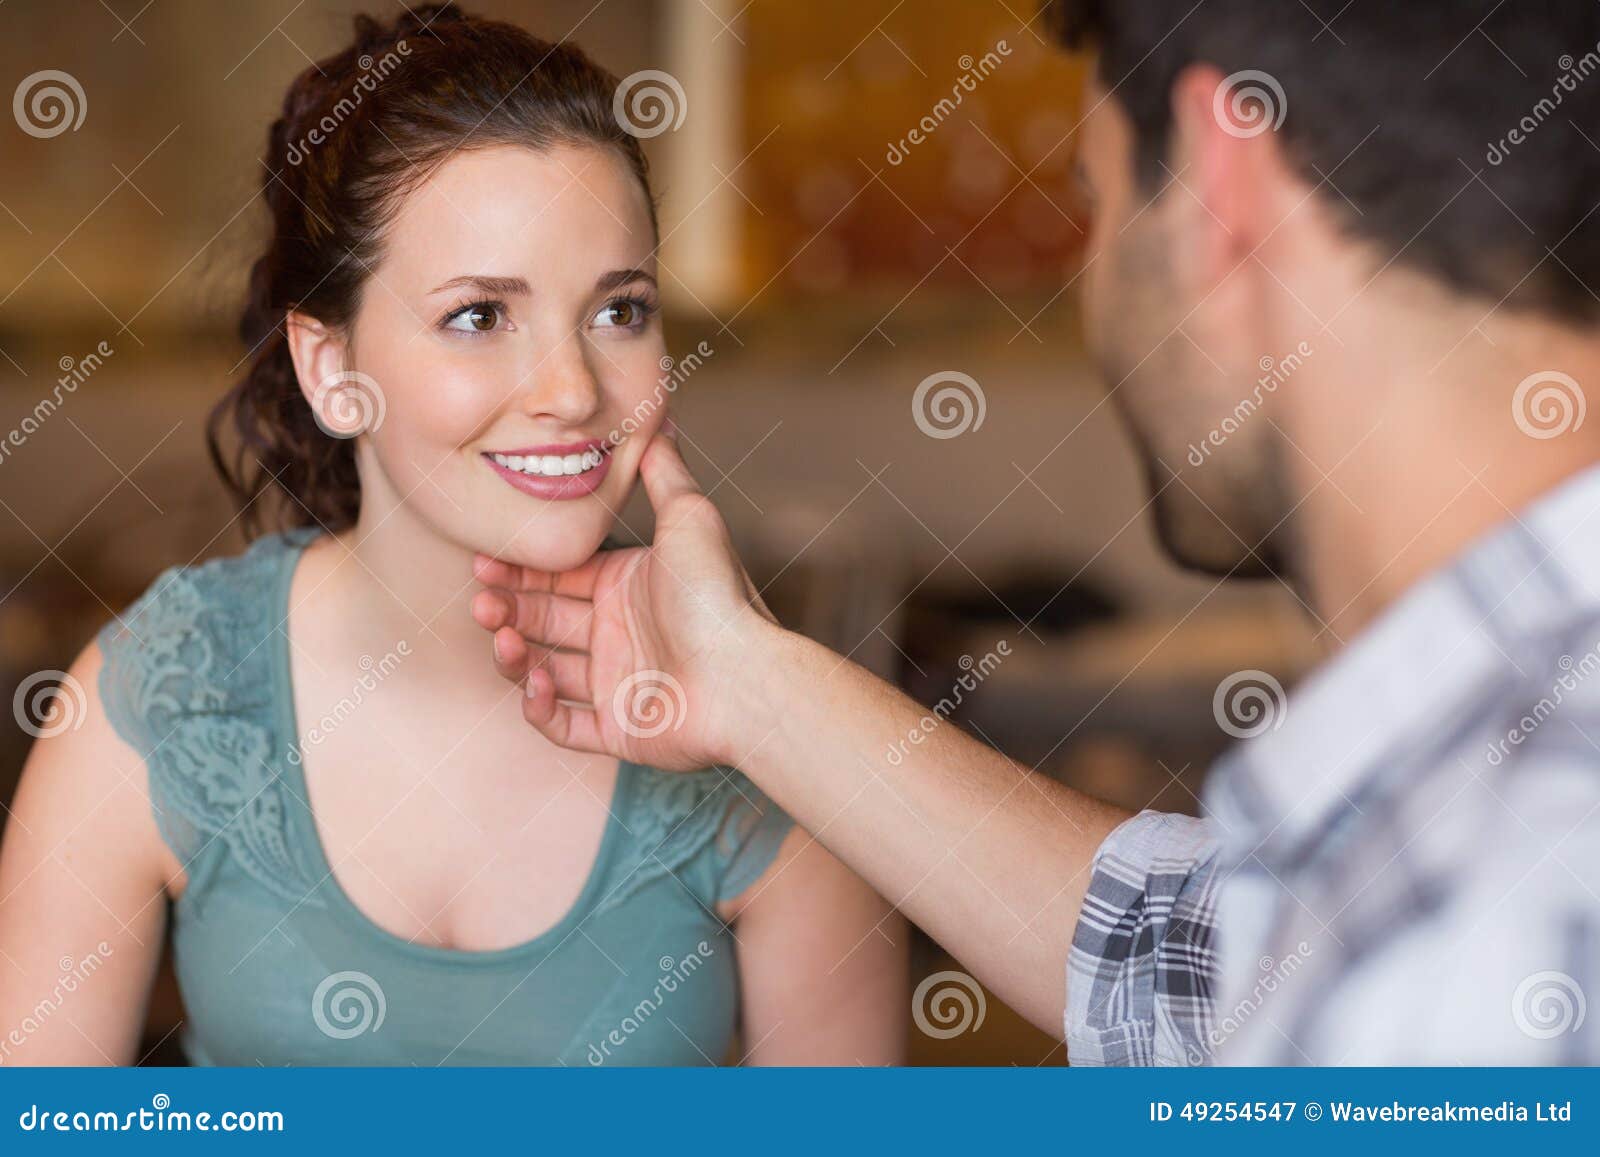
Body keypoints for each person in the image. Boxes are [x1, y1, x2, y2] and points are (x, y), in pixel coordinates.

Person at [471, 0, 1600, 1064]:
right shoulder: (1474, 841)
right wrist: (750, 685)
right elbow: (1199, 969)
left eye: (1097, 200)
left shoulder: (1500, 919)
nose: (1091, 281)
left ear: (1221, 188)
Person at [0, 5, 905, 1067]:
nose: (572, 391)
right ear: (332, 368)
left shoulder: (774, 725)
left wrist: (769, 699)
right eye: (479, 315)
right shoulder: (150, 703)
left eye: (620, 311)